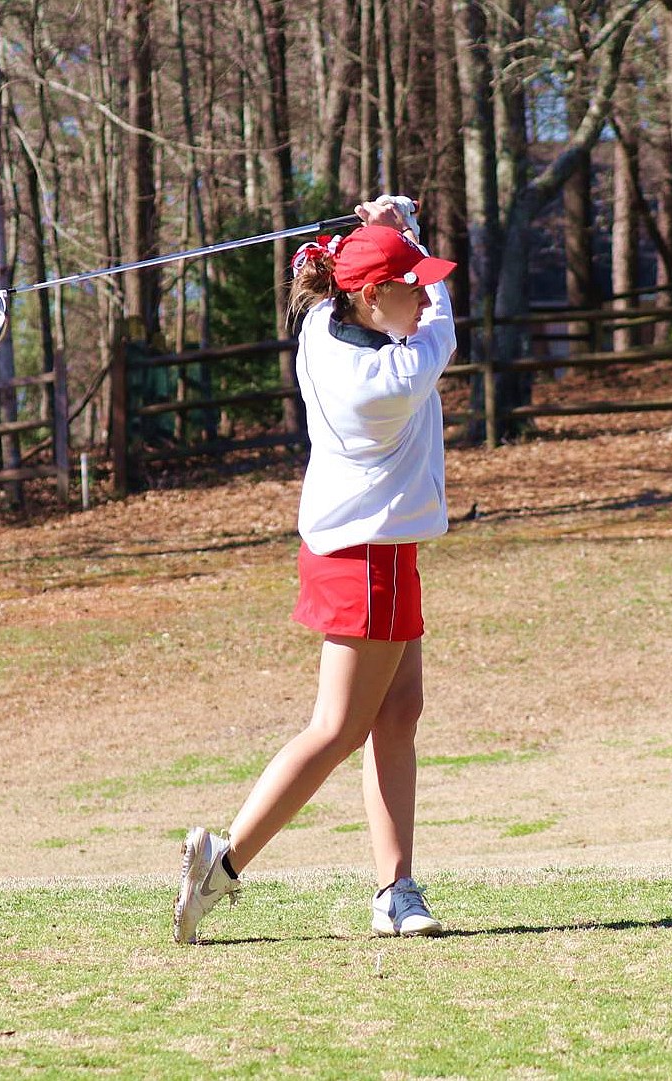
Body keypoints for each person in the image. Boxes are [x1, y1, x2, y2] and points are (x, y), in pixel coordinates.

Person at [173, 196, 458, 944]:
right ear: (372, 296)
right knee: (338, 727)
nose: (424, 291)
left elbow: (381, 287)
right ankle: (223, 862)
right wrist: (405, 231)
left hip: (365, 547)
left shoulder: (319, 325)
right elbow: (441, 326)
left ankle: (396, 888)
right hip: (369, 555)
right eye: (411, 283)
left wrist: (390, 232)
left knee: (399, 713)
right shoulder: (392, 375)